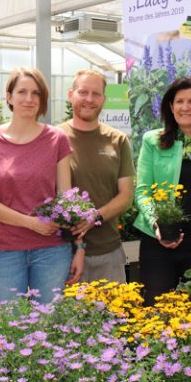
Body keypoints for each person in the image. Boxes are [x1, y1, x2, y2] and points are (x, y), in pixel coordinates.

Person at [0, 67, 78, 303]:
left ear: (42, 100)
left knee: (46, 326)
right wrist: (31, 223)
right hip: (5, 251)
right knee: (8, 329)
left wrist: (77, 244)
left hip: (52, 249)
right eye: (22, 92)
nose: (29, 99)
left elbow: (66, 196)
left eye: (36, 93)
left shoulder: (56, 139)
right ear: (9, 97)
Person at [134, 76, 191, 306]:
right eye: (179, 101)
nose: (185, 107)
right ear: (171, 107)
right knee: (156, 311)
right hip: (157, 245)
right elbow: (143, 191)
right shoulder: (152, 141)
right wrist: (156, 223)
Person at [58, 69, 135, 284]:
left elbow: (126, 196)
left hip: (108, 252)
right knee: (68, 317)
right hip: (62, 254)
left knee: (113, 316)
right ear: (70, 94)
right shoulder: (55, 138)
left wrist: (96, 216)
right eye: (83, 92)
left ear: (104, 99)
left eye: (96, 94)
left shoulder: (118, 140)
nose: (89, 100)